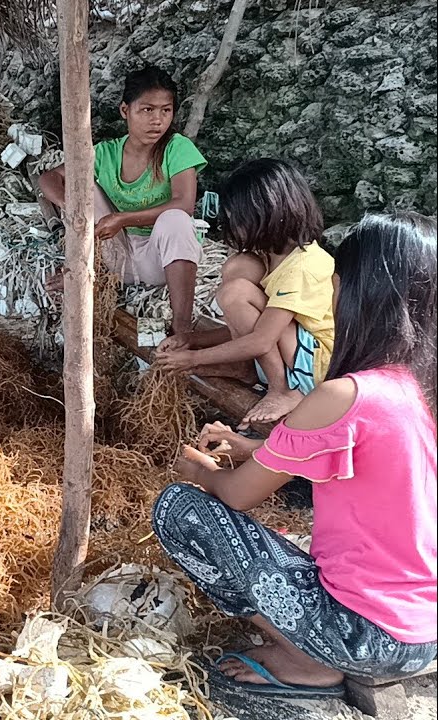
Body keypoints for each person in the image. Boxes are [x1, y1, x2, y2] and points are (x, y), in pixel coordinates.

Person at [153, 212, 436, 699]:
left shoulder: (344, 396)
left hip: (363, 636)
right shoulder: (417, 389)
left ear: (355, 294)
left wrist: (199, 469)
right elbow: (354, 464)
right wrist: (251, 448)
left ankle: (306, 659)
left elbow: (238, 495)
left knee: (180, 509)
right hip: (424, 634)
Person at [155, 158, 334, 428]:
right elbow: (259, 328)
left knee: (235, 291)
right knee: (239, 267)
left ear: (266, 213)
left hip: (312, 370)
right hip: (286, 354)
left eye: (238, 220)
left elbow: (262, 340)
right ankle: (245, 368)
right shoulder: (267, 258)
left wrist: (193, 358)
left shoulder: (305, 265)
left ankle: (282, 390)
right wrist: (191, 339)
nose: (235, 229)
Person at [38, 65, 206, 337]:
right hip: (116, 257)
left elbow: (184, 203)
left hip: (162, 260)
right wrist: (71, 207)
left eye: (166, 110)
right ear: (125, 110)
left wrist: (123, 218)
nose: (157, 121)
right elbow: (49, 178)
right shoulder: (106, 153)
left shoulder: (177, 148)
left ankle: (182, 328)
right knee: (84, 187)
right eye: (147, 110)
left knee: (176, 219)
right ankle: (81, 273)